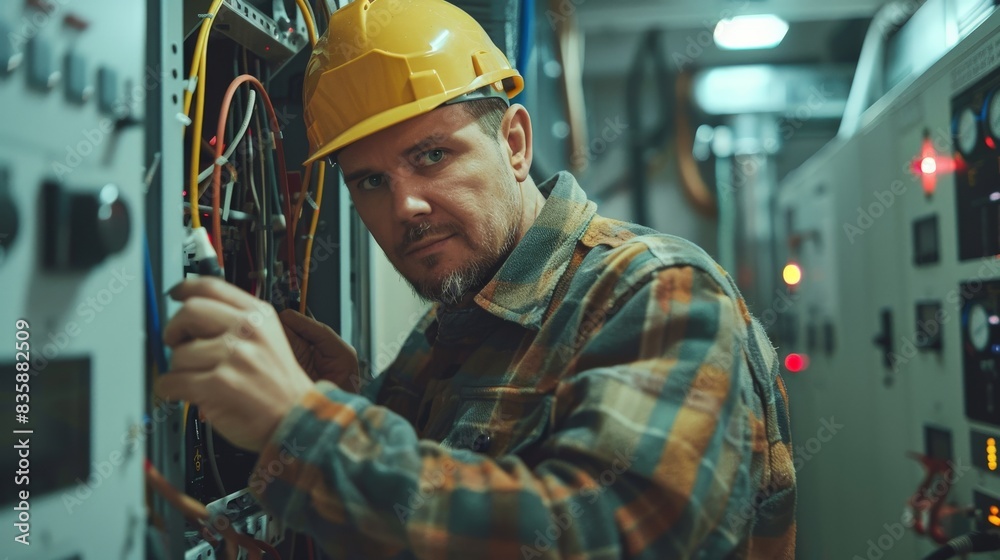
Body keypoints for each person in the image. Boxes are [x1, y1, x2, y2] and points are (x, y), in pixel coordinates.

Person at [156, 0, 797, 557]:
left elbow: (598, 536)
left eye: (432, 155)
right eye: (371, 181)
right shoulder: (448, 331)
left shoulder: (656, 293)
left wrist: (302, 423)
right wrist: (345, 400)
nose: (404, 205)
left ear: (515, 143)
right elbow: (440, 486)